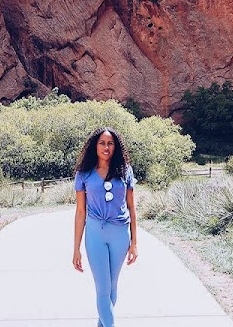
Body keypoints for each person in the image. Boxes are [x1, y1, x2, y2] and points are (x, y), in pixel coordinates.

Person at [72, 127, 138, 327]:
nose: (106, 147)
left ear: (115, 147)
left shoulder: (125, 171)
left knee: (112, 287)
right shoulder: (83, 174)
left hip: (120, 234)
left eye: (110, 143)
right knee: (102, 288)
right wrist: (75, 249)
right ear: (95, 146)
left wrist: (134, 243)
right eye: (102, 143)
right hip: (95, 235)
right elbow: (80, 212)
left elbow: (132, 208)